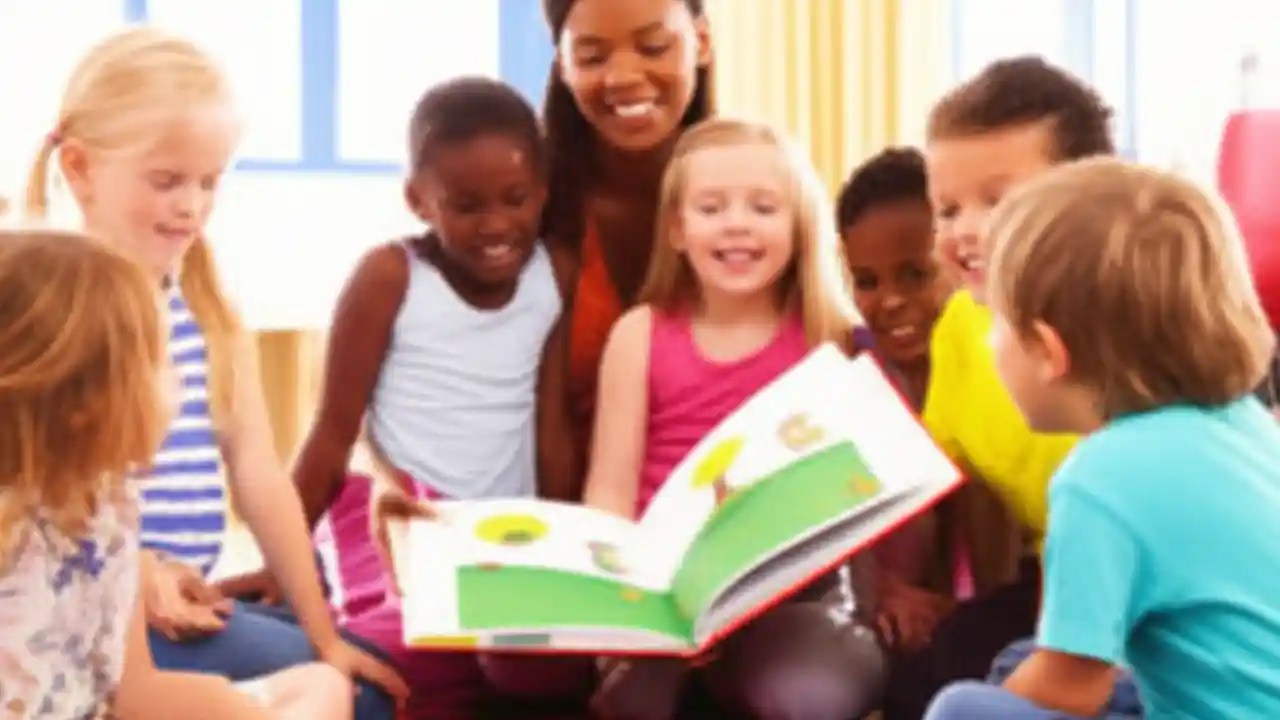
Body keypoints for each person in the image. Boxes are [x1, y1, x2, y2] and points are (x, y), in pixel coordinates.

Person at [22, 26, 407, 719]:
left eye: (209, 181)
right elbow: (34, 488)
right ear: (78, 169)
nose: (193, 205)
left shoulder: (203, 308)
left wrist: (322, 636)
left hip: (176, 604)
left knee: (350, 665)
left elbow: (259, 475)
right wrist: (138, 573)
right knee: (361, 702)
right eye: (167, 181)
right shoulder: (56, 311)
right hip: (94, 615)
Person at [926, 157, 1280, 719]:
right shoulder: (1242, 421)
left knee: (963, 708)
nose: (991, 342)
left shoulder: (1100, 477)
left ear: (1048, 350)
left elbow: (1073, 691)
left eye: (996, 321)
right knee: (1018, 661)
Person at [285, 76, 595, 718]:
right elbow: (331, 432)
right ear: (419, 200)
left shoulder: (553, 272)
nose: (496, 225)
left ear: (541, 190)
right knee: (400, 658)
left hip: (497, 527)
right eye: (466, 205)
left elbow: (552, 421)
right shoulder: (390, 278)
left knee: (547, 660)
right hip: (395, 516)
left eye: (515, 200)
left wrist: (569, 537)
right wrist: (279, 558)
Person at [584, 118, 885, 720]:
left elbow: (863, 495)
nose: (738, 224)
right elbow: (610, 494)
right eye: (712, 207)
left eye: (763, 207)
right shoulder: (639, 334)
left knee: (807, 696)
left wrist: (872, 603)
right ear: (677, 228)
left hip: (795, 596)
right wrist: (619, 613)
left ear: (798, 225)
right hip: (665, 592)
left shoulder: (827, 337)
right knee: (631, 703)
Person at [0, 229, 352, 720]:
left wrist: (238, 708)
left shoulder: (110, 514)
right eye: (158, 363)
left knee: (320, 687)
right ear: (88, 401)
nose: (181, 381)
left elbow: (136, 694)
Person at [880, 56, 1137, 720]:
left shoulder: (1132, 333)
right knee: (926, 673)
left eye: (1000, 202)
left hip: (1159, 603)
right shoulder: (962, 325)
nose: (966, 229)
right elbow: (950, 488)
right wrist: (901, 586)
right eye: (947, 208)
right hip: (1058, 583)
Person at [538, 0, 715, 490]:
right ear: (562, 66)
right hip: (550, 524)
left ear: (701, 42)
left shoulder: (757, 196)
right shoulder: (522, 208)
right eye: (593, 58)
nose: (623, 75)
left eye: (653, 46)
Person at [835, 147, 957, 652]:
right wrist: (881, 591)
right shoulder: (849, 376)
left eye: (915, 273)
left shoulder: (999, 370)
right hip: (875, 611)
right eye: (867, 282)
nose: (889, 299)